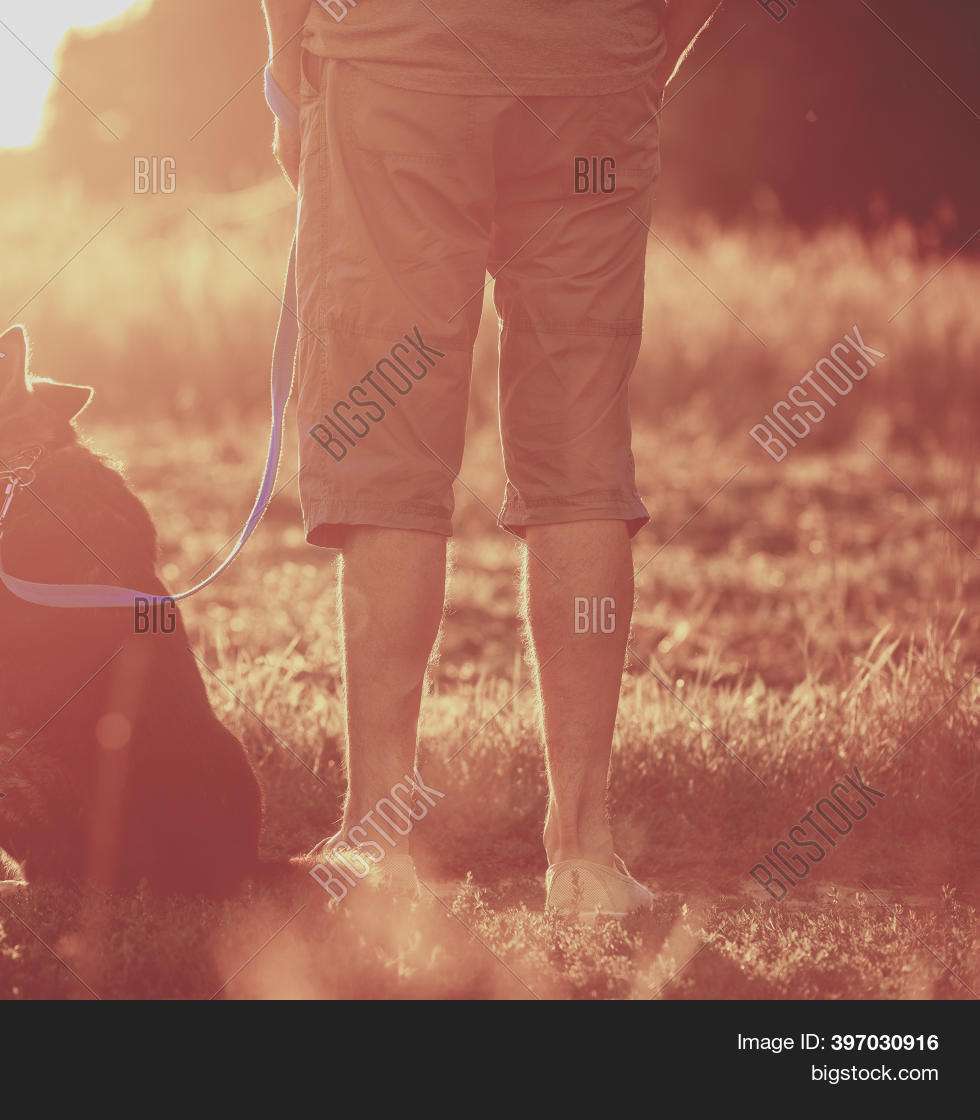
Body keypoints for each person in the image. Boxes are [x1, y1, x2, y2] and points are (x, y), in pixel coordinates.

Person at [263, 0, 723, 916]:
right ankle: (585, 853)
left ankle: (381, 844)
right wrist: (636, 52)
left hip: (396, 57)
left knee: (389, 444)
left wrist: (290, 63)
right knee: (581, 444)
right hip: (595, 62)